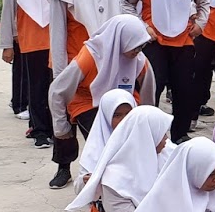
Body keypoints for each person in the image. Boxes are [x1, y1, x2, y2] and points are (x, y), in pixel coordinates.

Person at [49, 16, 156, 189]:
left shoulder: (139, 60)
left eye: (141, 46)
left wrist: (149, 121)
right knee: (101, 141)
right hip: (88, 103)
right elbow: (57, 91)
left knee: (130, 140)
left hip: (123, 103)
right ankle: (80, 176)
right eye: (136, 46)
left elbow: (148, 91)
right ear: (122, 40)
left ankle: (126, 182)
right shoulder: (89, 57)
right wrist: (60, 126)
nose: (139, 51)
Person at [124, 0, 210, 142]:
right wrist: (143, 27)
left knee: (183, 89)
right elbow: (126, 3)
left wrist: (200, 24)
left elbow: (204, 1)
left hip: (184, 42)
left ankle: (179, 134)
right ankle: (149, 134)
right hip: (155, 41)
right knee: (154, 86)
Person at [66, 106, 173, 212]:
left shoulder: (170, 153)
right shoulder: (115, 177)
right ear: (145, 136)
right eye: (161, 134)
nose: (166, 139)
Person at [0, 0, 56, 147]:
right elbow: (8, 9)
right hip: (31, 37)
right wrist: (7, 43)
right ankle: (40, 130)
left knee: (56, 86)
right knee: (37, 86)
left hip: (56, 36)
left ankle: (55, 128)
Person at [76, 88, 136, 205]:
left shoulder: (148, 138)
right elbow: (79, 190)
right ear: (106, 117)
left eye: (129, 114)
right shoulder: (96, 146)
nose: (124, 120)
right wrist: (85, 181)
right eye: (117, 115)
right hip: (111, 206)